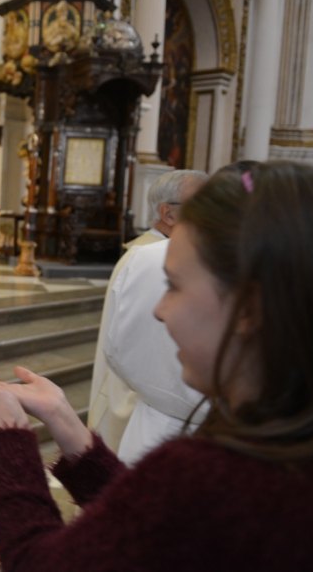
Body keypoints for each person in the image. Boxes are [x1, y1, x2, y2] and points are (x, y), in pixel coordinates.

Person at [0, 161, 313, 570]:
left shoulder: (214, 473)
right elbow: (160, 534)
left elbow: (39, 564)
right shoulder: (306, 449)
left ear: (248, 307)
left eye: (176, 286)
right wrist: (64, 419)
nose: (161, 312)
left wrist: (6, 424)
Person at [87, 169, 206, 450]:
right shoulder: (153, 259)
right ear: (169, 214)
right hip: (144, 404)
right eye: (202, 206)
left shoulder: (170, 253)